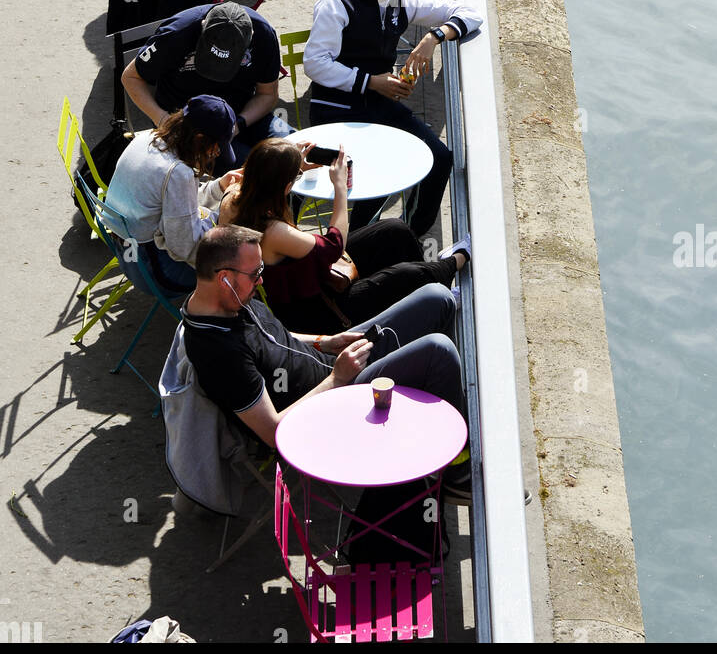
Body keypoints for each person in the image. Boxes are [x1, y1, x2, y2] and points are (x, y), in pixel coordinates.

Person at [181, 224, 467, 456]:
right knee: (437, 351)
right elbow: (273, 432)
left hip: (334, 364)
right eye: (256, 274)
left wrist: (325, 341)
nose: (261, 281)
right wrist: (337, 379)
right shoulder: (219, 354)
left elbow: (276, 337)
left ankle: (432, 417)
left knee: (437, 296)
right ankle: (455, 466)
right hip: (330, 403)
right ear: (224, 279)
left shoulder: (231, 299)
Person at [303, 0, 483, 234]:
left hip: (378, 104)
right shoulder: (336, 5)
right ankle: (350, 239)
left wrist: (434, 37)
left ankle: (409, 235)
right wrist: (371, 81)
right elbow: (315, 64)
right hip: (336, 108)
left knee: (439, 157)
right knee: (381, 173)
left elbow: (470, 13)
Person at [219, 137, 471, 331]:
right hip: (316, 313)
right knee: (406, 274)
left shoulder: (234, 196)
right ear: (284, 186)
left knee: (394, 231)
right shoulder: (273, 232)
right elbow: (333, 246)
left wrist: (294, 166)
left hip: (309, 277)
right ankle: (457, 259)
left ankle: (429, 293)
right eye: (294, 176)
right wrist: (340, 188)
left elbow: (265, 173)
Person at [121, 1, 293, 167]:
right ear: (202, 26)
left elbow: (267, 94)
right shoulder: (178, 33)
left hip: (243, 113)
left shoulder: (263, 35)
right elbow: (130, 77)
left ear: (251, 38)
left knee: (292, 151)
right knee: (256, 169)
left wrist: (239, 125)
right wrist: (163, 120)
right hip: (190, 121)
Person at [106, 96, 242, 292]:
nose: (217, 152)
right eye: (216, 147)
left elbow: (178, 203)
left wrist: (218, 187)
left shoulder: (147, 138)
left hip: (125, 252)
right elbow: (184, 247)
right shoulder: (178, 173)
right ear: (199, 139)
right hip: (154, 271)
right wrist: (225, 218)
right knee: (244, 260)